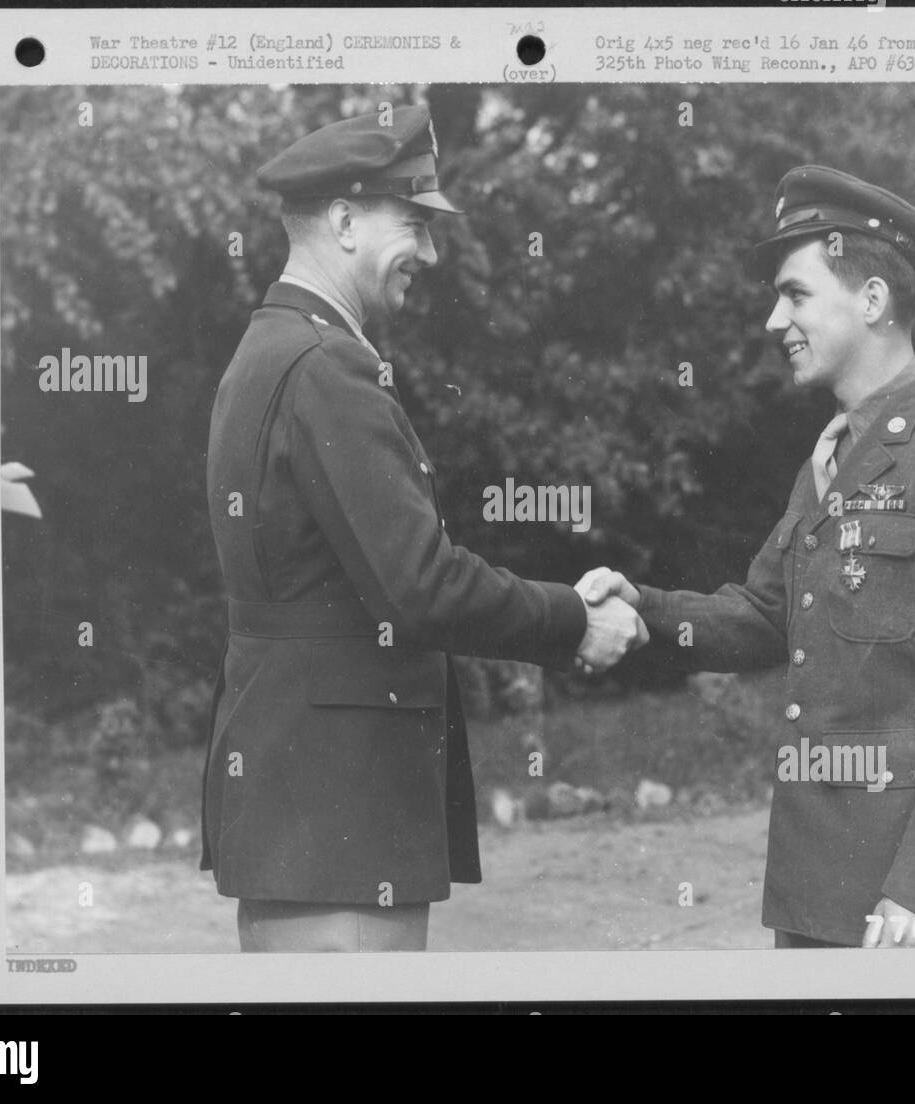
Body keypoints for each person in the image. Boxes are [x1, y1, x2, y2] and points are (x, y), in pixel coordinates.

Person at [200, 104, 646, 953]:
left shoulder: (268, 351)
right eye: (414, 225)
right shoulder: (327, 366)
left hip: (297, 807)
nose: (431, 255)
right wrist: (574, 621)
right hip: (343, 813)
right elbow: (422, 585)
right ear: (342, 222)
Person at [584, 166, 915, 948]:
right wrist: (646, 610)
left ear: (870, 300)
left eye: (795, 295)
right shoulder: (831, 461)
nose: (773, 320)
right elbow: (768, 613)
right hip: (819, 892)